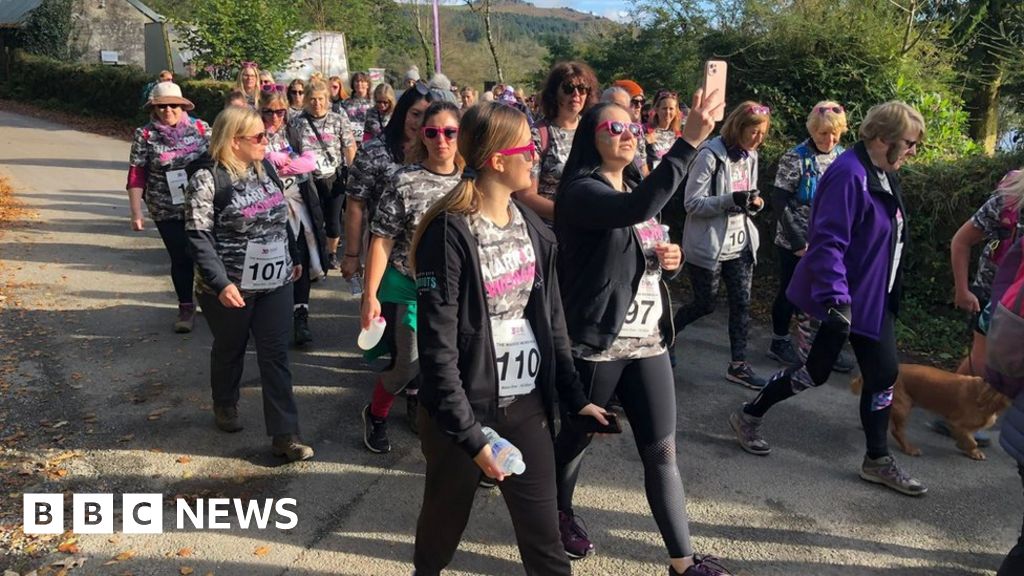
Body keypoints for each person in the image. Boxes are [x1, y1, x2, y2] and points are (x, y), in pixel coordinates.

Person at [410, 100, 607, 576]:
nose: (535, 156)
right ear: (499, 160)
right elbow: (438, 351)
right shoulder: (449, 232)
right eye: (528, 148)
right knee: (442, 525)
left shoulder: (535, 228)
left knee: (545, 541)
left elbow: (551, 320)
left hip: (525, 404)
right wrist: (470, 437)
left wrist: (574, 396)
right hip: (463, 410)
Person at [552, 95, 732, 576]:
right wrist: (690, 140)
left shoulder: (634, 182)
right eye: (613, 129)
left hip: (648, 342)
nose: (627, 133)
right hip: (596, 345)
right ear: (591, 140)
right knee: (576, 440)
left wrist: (666, 260)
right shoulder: (580, 192)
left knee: (661, 451)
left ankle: (683, 562)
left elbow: (638, 249)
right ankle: (557, 511)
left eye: (631, 126)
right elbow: (635, 208)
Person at [729, 101, 928, 496]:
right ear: (883, 138)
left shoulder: (884, 172)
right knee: (813, 373)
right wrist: (837, 300)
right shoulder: (849, 175)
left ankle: (877, 459)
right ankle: (748, 415)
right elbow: (828, 242)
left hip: (874, 299)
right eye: (909, 144)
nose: (912, 152)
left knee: (883, 374)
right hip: (841, 301)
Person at [185, 106, 313, 462]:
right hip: (230, 289)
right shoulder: (208, 178)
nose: (266, 141)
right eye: (258, 137)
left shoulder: (265, 167)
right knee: (231, 347)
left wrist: (294, 256)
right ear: (233, 141)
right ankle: (225, 402)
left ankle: (285, 435)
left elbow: (279, 216)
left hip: (275, 283)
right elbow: (198, 236)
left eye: (265, 135)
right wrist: (221, 282)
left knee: (275, 354)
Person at [359, 101, 463, 453]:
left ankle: (458, 431)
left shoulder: (472, 180)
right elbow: (382, 239)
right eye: (432, 132)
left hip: (456, 292)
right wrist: (369, 295)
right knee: (406, 368)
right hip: (409, 289)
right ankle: (375, 414)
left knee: (455, 366)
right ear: (422, 135)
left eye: (450, 132)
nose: (441, 140)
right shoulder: (404, 179)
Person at [673, 102, 770, 389]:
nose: (758, 139)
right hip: (709, 245)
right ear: (738, 127)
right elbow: (691, 203)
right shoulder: (709, 155)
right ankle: (665, 334)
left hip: (740, 244)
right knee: (705, 304)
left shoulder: (751, 155)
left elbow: (749, 194)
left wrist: (755, 203)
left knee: (742, 304)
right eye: (754, 132)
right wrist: (730, 200)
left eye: (763, 133)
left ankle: (738, 365)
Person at [929, 168, 1023, 443]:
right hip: (995, 294)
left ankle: (949, 411)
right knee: (983, 363)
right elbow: (961, 240)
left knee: (979, 362)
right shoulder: (1007, 200)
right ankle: (960, 417)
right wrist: (962, 290)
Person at [768, 101, 854, 372]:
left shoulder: (843, 157)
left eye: (834, 134)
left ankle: (820, 347)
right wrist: (797, 242)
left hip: (828, 240)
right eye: (823, 134)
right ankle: (779, 340)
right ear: (812, 130)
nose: (829, 140)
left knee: (827, 294)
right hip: (795, 240)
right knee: (790, 293)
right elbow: (779, 200)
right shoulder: (795, 157)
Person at [126, 82, 211, 333]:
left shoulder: (200, 128)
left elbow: (220, 158)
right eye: (161, 106)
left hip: (202, 204)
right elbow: (136, 174)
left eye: (173, 105)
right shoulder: (145, 135)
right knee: (181, 255)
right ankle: (186, 306)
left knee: (206, 253)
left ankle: (211, 297)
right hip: (166, 207)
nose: (168, 110)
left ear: (182, 106)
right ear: (154, 108)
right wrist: (136, 212)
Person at [342, 82, 444, 284]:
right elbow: (355, 205)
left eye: (426, 116)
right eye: (415, 114)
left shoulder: (440, 152)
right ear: (402, 113)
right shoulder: (373, 152)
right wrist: (352, 256)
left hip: (432, 261)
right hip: (385, 257)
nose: (420, 122)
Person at [262, 90, 327, 347]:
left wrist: (287, 164)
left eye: (281, 112)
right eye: (270, 111)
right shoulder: (255, 132)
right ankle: (272, 319)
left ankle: (301, 317)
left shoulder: (293, 131)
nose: (276, 117)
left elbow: (310, 160)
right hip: (268, 210)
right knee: (277, 262)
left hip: (299, 205)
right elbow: (258, 162)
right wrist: (272, 159)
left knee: (301, 256)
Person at [514, 61, 599, 222]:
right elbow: (526, 195)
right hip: (551, 228)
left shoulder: (593, 131)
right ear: (554, 92)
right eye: (568, 88)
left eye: (582, 89)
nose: (576, 95)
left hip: (590, 226)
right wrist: (571, 216)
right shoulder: (537, 134)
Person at [288, 79, 357, 270]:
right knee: (314, 218)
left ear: (327, 99)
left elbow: (349, 147)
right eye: (312, 99)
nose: (316, 103)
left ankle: (331, 253)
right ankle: (315, 253)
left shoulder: (338, 120)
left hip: (334, 176)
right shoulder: (296, 123)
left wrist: (352, 172)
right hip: (308, 177)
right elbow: (291, 149)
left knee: (333, 219)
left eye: (320, 99)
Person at [601, 86, 648, 177]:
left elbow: (644, 168)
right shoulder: (597, 131)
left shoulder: (637, 131)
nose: (638, 106)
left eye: (641, 102)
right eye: (634, 101)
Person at [645, 90, 682, 171]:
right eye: (664, 108)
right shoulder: (646, 132)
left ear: (676, 111)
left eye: (671, 109)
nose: (667, 112)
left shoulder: (678, 137)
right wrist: (644, 142)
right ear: (657, 110)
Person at [343, 72, 373, 145]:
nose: (359, 84)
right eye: (357, 81)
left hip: (369, 141)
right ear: (353, 84)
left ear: (368, 84)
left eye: (362, 81)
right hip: (350, 141)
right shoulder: (345, 103)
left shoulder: (374, 102)